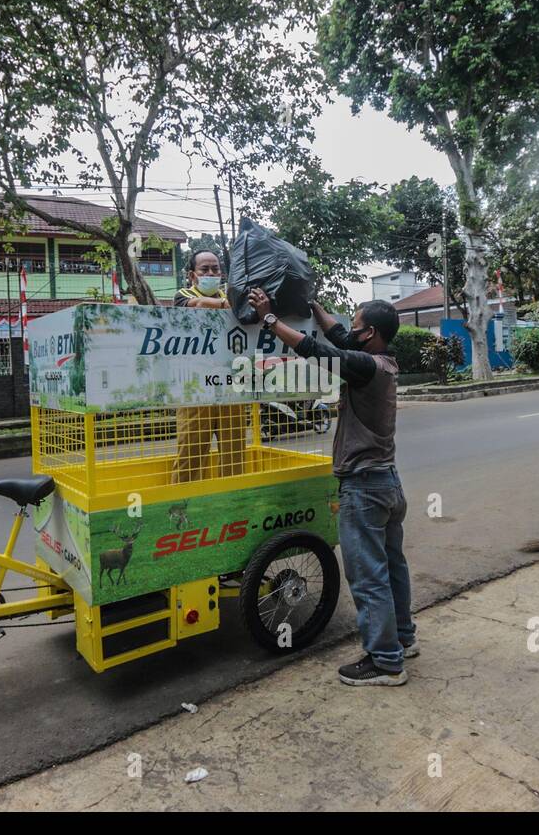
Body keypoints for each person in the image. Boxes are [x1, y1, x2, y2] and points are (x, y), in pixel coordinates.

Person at [248, 288, 415, 686]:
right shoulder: (384, 362)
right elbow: (339, 338)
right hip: (387, 482)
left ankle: (386, 662)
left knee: (368, 576)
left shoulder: (364, 367)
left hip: (364, 488)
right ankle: (403, 640)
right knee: (392, 567)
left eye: (357, 325)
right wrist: (315, 307)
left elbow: (322, 352)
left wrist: (270, 319)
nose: (350, 330)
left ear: (370, 333)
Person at [171, 250, 247, 482]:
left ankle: (233, 503)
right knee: (190, 453)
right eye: (205, 269)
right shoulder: (183, 295)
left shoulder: (231, 297)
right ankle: (181, 504)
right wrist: (228, 303)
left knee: (234, 455)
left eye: (216, 269)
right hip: (195, 389)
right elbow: (200, 304)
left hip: (230, 387)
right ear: (193, 275)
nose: (211, 273)